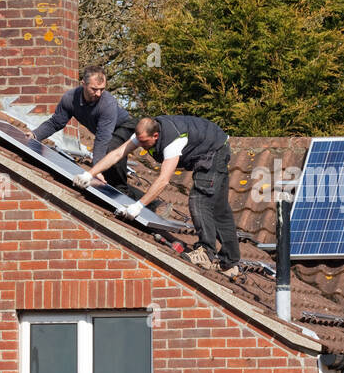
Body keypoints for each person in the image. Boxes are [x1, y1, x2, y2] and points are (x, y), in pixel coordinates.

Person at [80, 114, 241, 277]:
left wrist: (138, 206)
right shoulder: (145, 133)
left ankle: (206, 253)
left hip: (214, 152)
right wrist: (90, 174)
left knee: (200, 199)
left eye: (144, 142)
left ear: (155, 135)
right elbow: (118, 153)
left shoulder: (172, 141)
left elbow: (164, 180)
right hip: (218, 144)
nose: (141, 146)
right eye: (139, 141)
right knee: (220, 209)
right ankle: (230, 263)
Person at [29, 65, 137, 193]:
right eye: (94, 89)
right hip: (108, 134)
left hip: (125, 126)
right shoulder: (70, 98)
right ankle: (107, 187)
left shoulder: (107, 103)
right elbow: (56, 122)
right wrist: (35, 135)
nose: (98, 94)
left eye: (102, 89)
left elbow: (103, 139)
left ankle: (122, 191)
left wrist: (94, 172)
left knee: (112, 147)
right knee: (107, 157)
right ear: (83, 84)